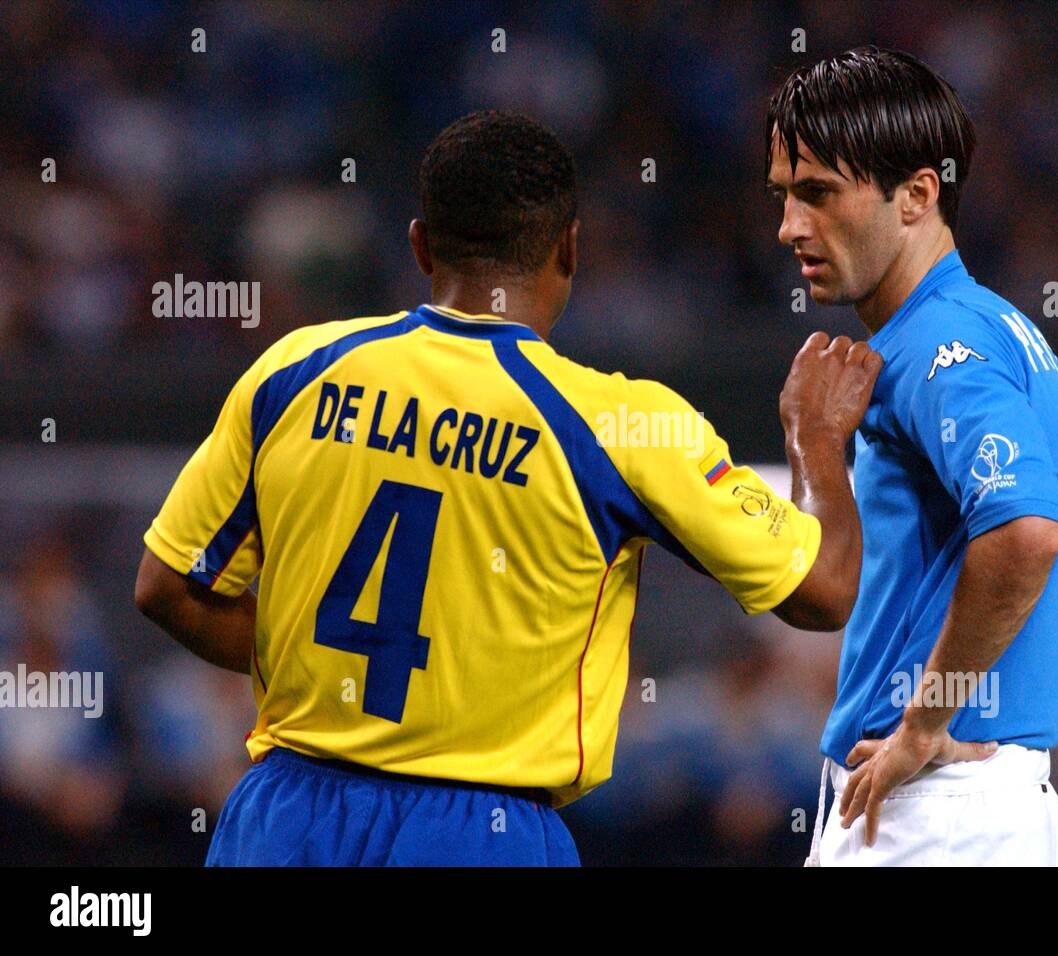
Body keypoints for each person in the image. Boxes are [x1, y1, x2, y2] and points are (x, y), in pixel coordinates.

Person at [134, 110, 882, 866]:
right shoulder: (620, 424)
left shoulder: (295, 370)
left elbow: (166, 586)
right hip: (481, 831)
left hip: (284, 816)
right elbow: (822, 590)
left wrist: (310, 666)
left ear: (422, 244)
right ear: (569, 247)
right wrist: (815, 440)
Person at [764, 48, 1058, 866]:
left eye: (818, 192)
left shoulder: (942, 345)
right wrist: (993, 705)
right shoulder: (1009, 333)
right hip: (996, 808)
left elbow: (1028, 533)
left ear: (918, 195)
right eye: (785, 196)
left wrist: (930, 721)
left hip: (928, 819)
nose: (790, 225)